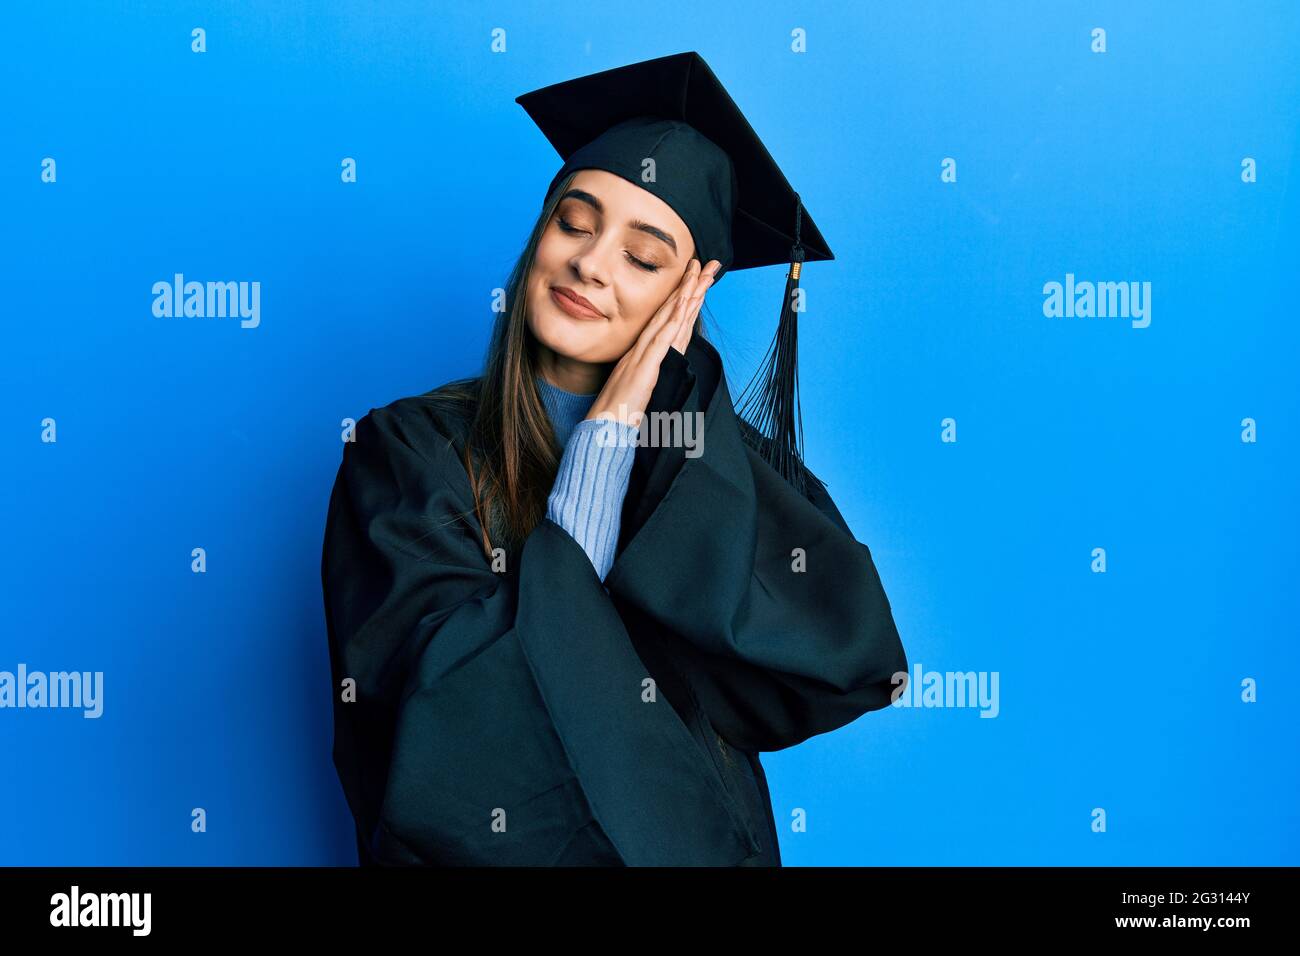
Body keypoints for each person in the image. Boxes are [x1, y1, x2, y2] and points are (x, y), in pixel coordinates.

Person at [320, 51, 907, 866]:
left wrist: (655, 442)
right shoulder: (411, 451)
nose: (591, 263)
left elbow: (843, 666)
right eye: (575, 221)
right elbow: (428, 708)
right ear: (539, 236)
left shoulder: (724, 472)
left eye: (643, 255)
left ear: (688, 295)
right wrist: (598, 457)